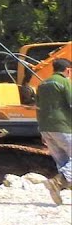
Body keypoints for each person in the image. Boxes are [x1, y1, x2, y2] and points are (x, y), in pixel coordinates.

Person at [37, 57, 72, 205]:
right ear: (68, 70)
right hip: (63, 126)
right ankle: (57, 183)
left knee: (63, 162)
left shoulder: (42, 84)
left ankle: (58, 188)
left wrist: (41, 130)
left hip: (46, 128)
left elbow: (37, 108)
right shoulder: (64, 82)